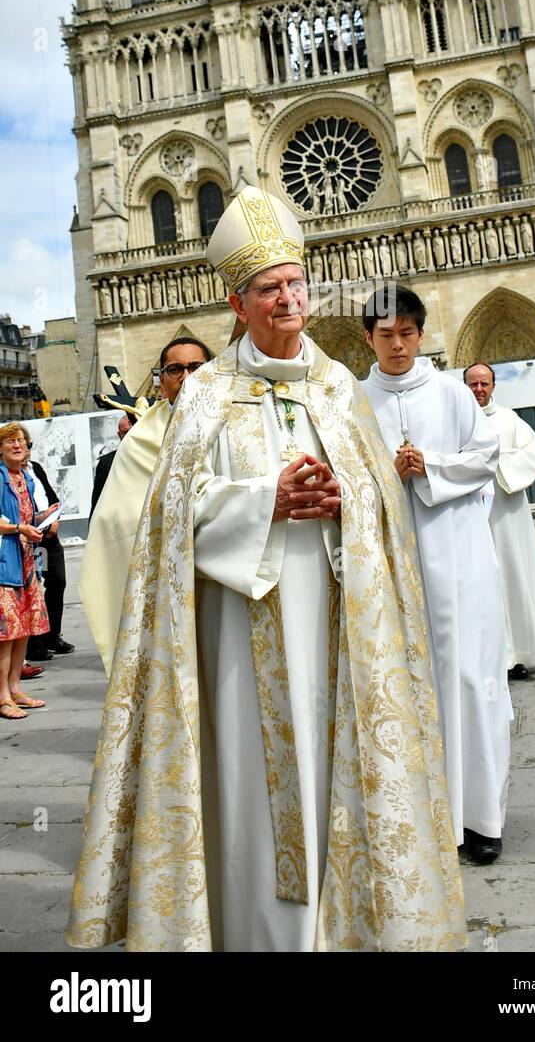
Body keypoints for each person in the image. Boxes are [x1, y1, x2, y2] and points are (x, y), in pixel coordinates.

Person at [67, 186, 464, 954]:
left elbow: (383, 507)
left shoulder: (339, 390)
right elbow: (169, 521)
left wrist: (344, 497)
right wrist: (263, 502)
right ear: (237, 302)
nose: (288, 299)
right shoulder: (205, 396)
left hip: (337, 633)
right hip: (236, 643)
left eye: (294, 284)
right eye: (268, 289)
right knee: (246, 788)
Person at [362, 287, 512, 867]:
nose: (396, 345)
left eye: (406, 333)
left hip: (458, 558)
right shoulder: (353, 401)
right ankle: (425, 818)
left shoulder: (452, 393)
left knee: (470, 683)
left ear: (420, 334)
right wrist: (385, 469)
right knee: (405, 687)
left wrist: (431, 467)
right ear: (369, 339)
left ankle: (482, 817)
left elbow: (485, 455)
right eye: (384, 335)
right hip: (390, 563)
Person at [80, 337, 214, 677]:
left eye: (196, 367)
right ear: (161, 380)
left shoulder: (242, 420)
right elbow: (116, 518)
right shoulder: (140, 441)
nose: (186, 376)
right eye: (175, 369)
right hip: (169, 577)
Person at [464, 362, 535, 679]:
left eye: (484, 384)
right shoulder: (456, 422)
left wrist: (492, 468)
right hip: (469, 514)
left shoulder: (509, 420)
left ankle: (518, 653)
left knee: (513, 577)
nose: (478, 389)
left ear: (493, 386)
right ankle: (486, 656)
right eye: (472, 384)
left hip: (506, 513)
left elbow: (531, 455)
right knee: (476, 584)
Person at [0, 423, 55, 718]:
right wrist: (20, 527)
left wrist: (45, 516)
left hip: (25, 561)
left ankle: (16, 688)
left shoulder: (26, 478)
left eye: (20, 440)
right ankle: (2, 696)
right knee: (6, 633)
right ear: (0, 448)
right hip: (3, 563)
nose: (17, 445)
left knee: (22, 631)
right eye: (10, 441)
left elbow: (27, 515)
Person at [21, 427, 74, 659]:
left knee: (57, 582)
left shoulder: (37, 469)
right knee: (33, 588)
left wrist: (55, 520)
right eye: (20, 444)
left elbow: (53, 499)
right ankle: (35, 642)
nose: (25, 450)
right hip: (30, 538)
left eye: (28, 445)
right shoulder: (9, 475)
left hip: (49, 536)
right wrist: (40, 519)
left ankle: (52, 635)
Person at [89, 414, 132, 519]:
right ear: (119, 435)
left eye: (133, 430)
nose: (130, 435)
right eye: (126, 432)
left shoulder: (153, 456)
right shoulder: (107, 462)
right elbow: (98, 499)